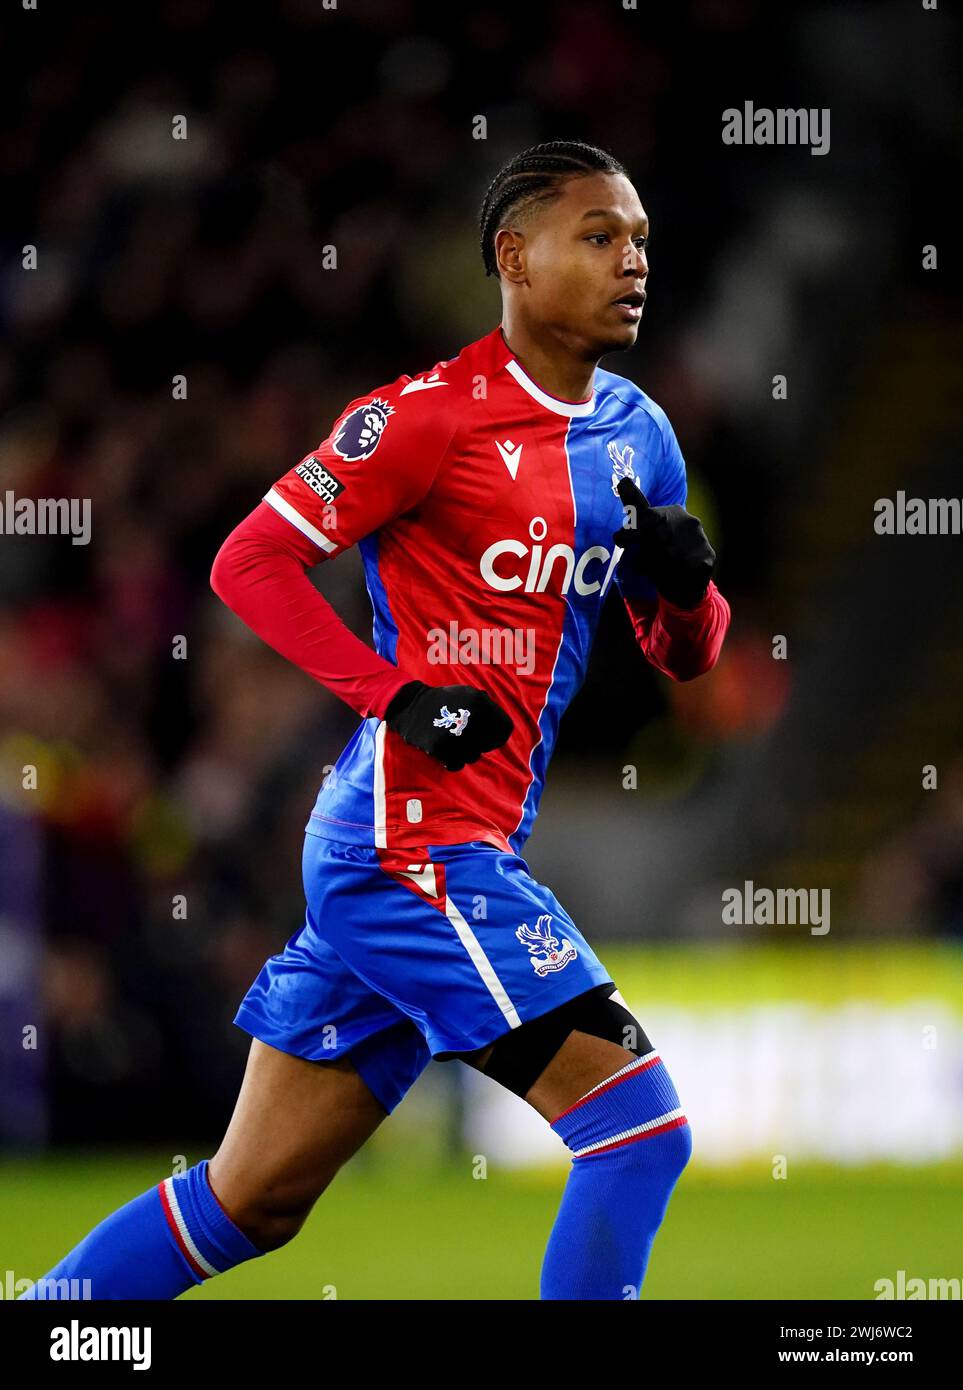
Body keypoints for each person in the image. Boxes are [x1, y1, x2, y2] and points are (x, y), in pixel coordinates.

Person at [22, 139, 730, 1302]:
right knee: (638, 1131)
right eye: (599, 237)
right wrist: (393, 691)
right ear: (514, 257)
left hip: (449, 848)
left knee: (249, 1201)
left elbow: (684, 654)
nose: (631, 262)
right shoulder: (425, 420)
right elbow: (248, 561)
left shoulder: (638, 434)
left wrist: (686, 583)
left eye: (640, 240)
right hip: (409, 849)